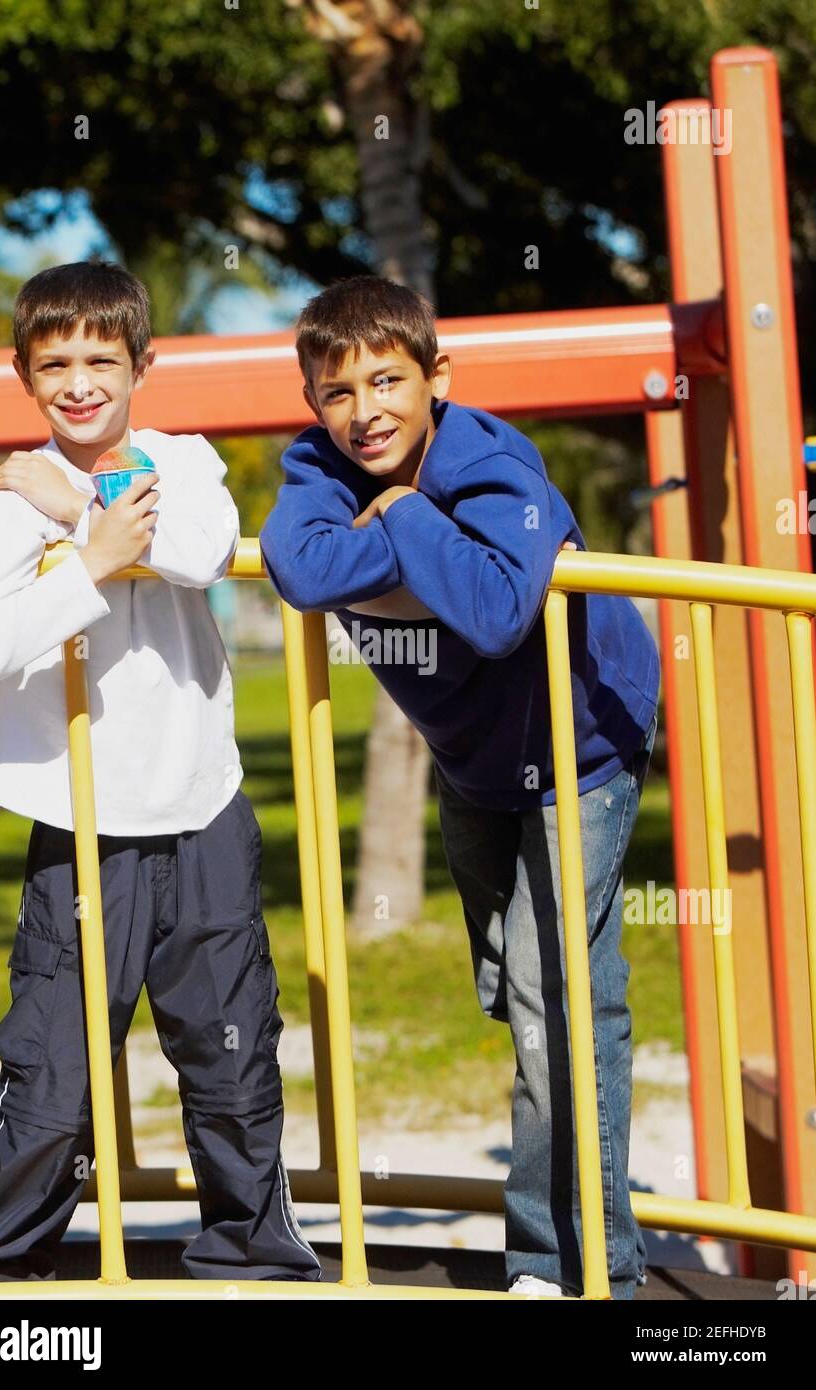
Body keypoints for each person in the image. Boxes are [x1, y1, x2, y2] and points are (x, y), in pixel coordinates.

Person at [259, 274, 659, 1299]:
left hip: (582, 750)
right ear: (312, 402)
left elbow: (491, 611)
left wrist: (397, 522)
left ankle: (571, 1262)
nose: (365, 412)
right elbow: (296, 568)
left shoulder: (489, 460)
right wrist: (399, 527)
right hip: (475, 758)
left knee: (556, 1005)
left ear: (436, 377)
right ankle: (555, 1106)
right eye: (337, 392)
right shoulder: (319, 464)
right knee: (507, 985)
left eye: (388, 381)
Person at [0, 260, 320, 1284]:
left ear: (142, 364)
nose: (79, 381)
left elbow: (199, 549)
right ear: (25, 375)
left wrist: (80, 508)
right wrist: (90, 556)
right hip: (79, 822)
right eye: (55, 363)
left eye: (100, 360)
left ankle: (249, 1248)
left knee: (228, 1045)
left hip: (199, 805)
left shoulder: (175, 456)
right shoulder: (9, 503)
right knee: (57, 1068)